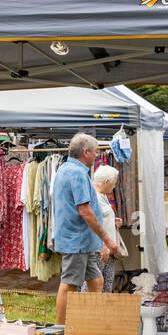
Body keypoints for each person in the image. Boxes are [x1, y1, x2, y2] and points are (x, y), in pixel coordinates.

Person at [53, 133, 118, 323]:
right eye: (95, 152)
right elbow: (85, 211)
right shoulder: (77, 173)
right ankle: (59, 329)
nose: (97, 156)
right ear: (86, 152)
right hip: (77, 240)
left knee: (96, 281)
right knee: (69, 284)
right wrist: (107, 239)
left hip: (84, 241)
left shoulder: (67, 169)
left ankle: (90, 323)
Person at [92, 164, 128, 290]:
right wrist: (102, 246)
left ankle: (104, 309)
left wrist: (113, 221)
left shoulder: (103, 196)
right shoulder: (95, 198)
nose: (114, 185)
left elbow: (101, 220)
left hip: (108, 249)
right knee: (95, 285)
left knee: (107, 284)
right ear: (106, 182)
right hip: (100, 250)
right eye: (113, 182)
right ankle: (89, 309)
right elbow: (91, 224)